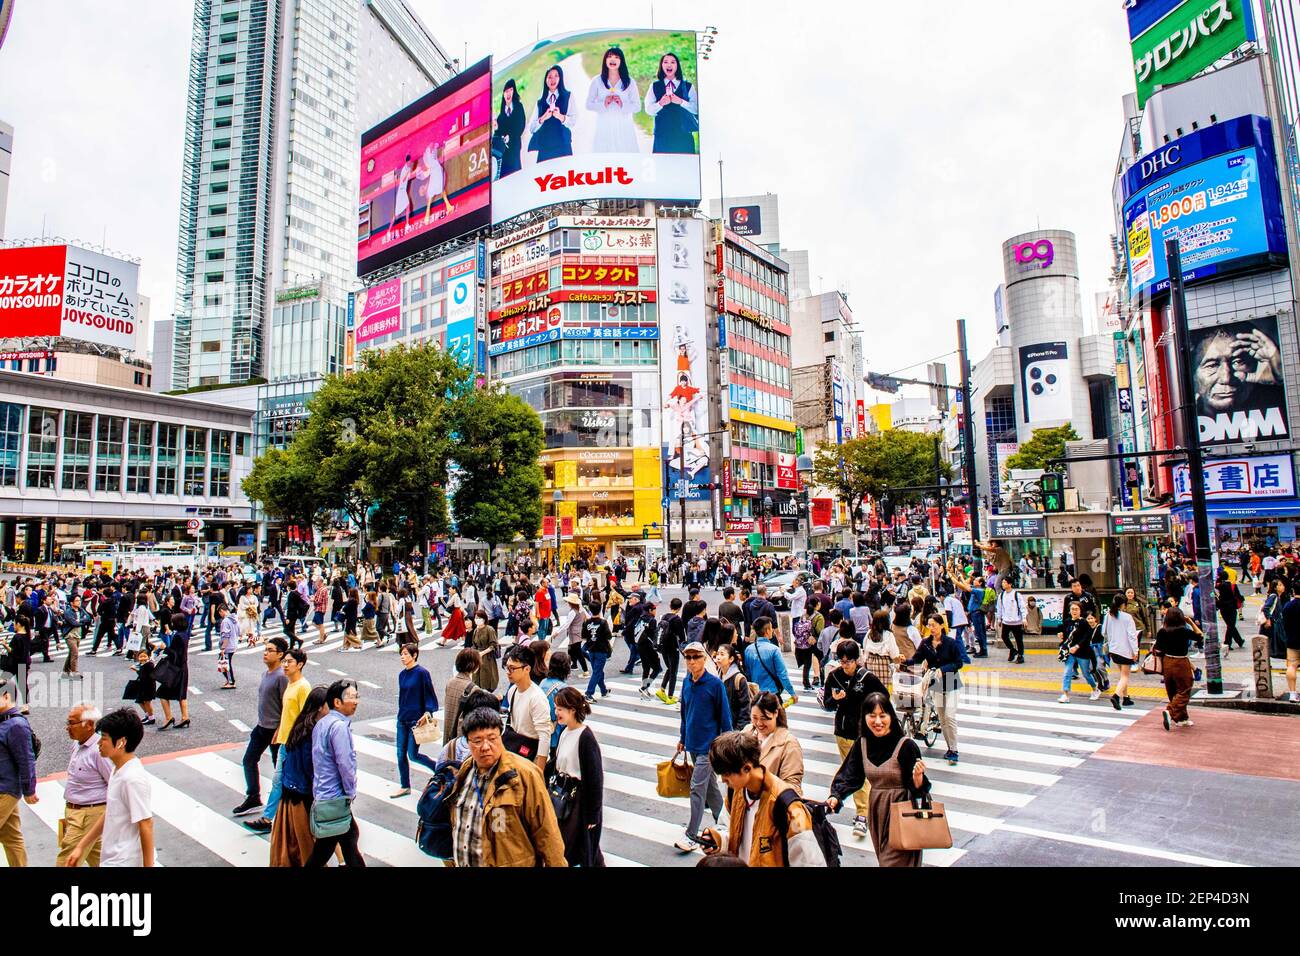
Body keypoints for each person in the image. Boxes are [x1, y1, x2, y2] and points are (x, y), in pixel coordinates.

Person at [449, 706, 568, 867]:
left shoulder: (525, 775)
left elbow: (547, 832)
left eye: (491, 738)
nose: (485, 747)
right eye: (477, 741)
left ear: (501, 736)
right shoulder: (465, 771)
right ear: (468, 743)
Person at [828, 691, 932, 867]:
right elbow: (851, 775)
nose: (877, 722)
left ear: (890, 716)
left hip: (902, 814)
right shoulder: (862, 743)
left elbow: (920, 790)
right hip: (877, 813)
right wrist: (836, 796)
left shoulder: (906, 746)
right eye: (872, 716)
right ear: (864, 717)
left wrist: (917, 777)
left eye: (882, 715)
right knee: (884, 860)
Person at [701, 731, 825, 867]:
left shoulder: (788, 806)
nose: (723, 779)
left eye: (727, 774)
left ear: (747, 768)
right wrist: (716, 838)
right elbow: (727, 827)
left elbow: (808, 861)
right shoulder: (735, 792)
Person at [63, 709, 154, 868]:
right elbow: (110, 811)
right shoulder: (117, 770)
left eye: (103, 738)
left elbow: (146, 824)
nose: (98, 743)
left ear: (121, 742)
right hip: (113, 857)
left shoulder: (132, 779)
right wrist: (81, 846)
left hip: (126, 861)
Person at [674, 641, 731, 853]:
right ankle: (727, 827)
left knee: (697, 789)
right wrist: (682, 737)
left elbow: (725, 718)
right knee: (712, 791)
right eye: (688, 658)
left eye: (695, 657)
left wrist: (727, 747)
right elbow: (684, 712)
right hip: (692, 744)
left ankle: (691, 835)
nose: (691, 661)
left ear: (704, 659)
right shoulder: (687, 682)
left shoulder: (715, 685)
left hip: (709, 747)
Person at [306, 680, 364, 866]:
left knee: (346, 841)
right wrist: (350, 792)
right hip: (335, 798)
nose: (355, 702)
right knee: (330, 847)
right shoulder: (339, 727)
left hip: (323, 794)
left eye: (356, 697)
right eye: (351, 698)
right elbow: (345, 764)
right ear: (337, 702)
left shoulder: (322, 724)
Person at [270, 685, 329, 866]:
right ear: (320, 707)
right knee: (304, 846)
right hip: (301, 796)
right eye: (329, 705)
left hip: (290, 793)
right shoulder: (313, 732)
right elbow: (310, 767)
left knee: (290, 844)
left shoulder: (301, 725)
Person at [552, 687, 605, 867]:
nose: (556, 712)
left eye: (560, 708)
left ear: (572, 710)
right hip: (562, 795)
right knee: (584, 849)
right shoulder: (564, 732)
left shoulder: (585, 737)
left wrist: (593, 815)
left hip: (578, 801)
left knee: (577, 848)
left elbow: (595, 779)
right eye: (555, 708)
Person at [57, 704, 116, 867]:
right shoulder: (77, 743)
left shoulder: (99, 751)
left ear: (89, 724)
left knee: (66, 861)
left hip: (88, 815)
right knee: (100, 860)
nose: (67, 728)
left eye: (72, 723)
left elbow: (115, 783)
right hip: (76, 812)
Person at [904, 614, 964, 764]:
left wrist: (943, 669)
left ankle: (954, 749)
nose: (931, 628)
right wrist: (903, 661)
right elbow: (916, 659)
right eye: (929, 625)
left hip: (951, 681)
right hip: (935, 683)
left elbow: (959, 663)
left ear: (941, 626)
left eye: (933, 625)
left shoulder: (950, 643)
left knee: (949, 716)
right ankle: (950, 748)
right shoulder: (925, 644)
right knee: (943, 719)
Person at [393, 643, 440, 798]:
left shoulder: (422, 673)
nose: (402, 657)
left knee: (413, 754)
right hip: (402, 719)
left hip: (416, 721)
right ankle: (405, 785)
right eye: (401, 654)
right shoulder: (401, 674)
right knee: (400, 754)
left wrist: (427, 712)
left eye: (406, 654)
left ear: (414, 655)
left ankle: (439, 770)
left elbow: (429, 694)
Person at [0, 678, 36, 866]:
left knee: (12, 837)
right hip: (4, 786)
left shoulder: (16, 725)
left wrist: (29, 790)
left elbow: (26, 759)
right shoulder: (3, 721)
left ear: (6, 696)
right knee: (11, 837)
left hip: (6, 789)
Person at [503, 645, 553, 772]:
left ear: (527, 669)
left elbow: (544, 737)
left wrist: (539, 772)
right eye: (507, 667)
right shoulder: (513, 690)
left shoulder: (537, 698)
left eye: (512, 668)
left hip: (531, 758)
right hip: (514, 751)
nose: (508, 672)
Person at [585, 47, 639, 152]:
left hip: (624, 127)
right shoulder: (597, 81)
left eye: (616, 57)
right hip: (604, 127)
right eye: (609, 57)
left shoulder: (629, 81)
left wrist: (622, 104)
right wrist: (603, 104)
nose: (612, 60)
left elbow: (637, 106)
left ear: (621, 61)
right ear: (605, 60)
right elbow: (588, 104)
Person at [644, 51, 698, 154]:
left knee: (684, 167)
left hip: (683, 135)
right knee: (662, 167)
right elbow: (649, 110)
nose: (669, 64)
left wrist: (681, 102)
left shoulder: (688, 86)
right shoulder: (654, 86)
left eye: (673, 62)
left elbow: (696, 109)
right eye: (665, 62)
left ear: (677, 66)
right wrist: (660, 104)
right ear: (661, 65)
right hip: (662, 135)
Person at [750, 691, 804, 794]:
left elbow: (792, 787)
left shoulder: (789, 744)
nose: (759, 723)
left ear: (776, 713)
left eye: (764, 718)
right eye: (754, 718)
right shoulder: (748, 732)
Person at [1154, 607, 1198, 731]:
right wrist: (1191, 622)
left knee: (1173, 691)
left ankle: (1182, 719)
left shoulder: (1162, 631)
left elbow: (1158, 648)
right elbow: (1200, 636)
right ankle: (1170, 711)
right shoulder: (1184, 631)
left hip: (1167, 662)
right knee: (1184, 690)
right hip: (1181, 662)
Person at [527, 65, 574, 163]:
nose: (552, 79)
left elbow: (573, 121)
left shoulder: (568, 96)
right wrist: (543, 118)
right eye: (549, 77)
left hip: (563, 148)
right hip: (545, 150)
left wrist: (561, 117)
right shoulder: (540, 102)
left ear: (560, 78)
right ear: (545, 81)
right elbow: (531, 128)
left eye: (556, 76)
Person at [745, 617, 797, 703]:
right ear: (767, 631)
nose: (772, 630)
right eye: (771, 627)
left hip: (756, 695)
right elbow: (782, 674)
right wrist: (792, 693)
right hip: (772, 694)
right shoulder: (774, 650)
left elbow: (748, 673)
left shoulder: (748, 650)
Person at [1057, 602, 1100, 703]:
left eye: (1076, 609)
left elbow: (1087, 637)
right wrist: (1061, 636)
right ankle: (1065, 694)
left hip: (1083, 652)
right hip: (1070, 652)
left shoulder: (1084, 623)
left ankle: (1095, 688)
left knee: (1086, 673)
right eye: (1072, 609)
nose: (1074, 611)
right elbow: (1065, 635)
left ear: (1080, 611)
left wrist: (1077, 646)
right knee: (1067, 672)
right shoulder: (1067, 622)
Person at [1103, 595, 1140, 710]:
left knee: (1122, 676)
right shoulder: (1127, 617)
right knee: (1125, 676)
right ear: (1123, 604)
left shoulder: (1109, 615)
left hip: (1114, 650)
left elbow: (1103, 631)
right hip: (1126, 650)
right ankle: (1116, 696)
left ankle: (1126, 698)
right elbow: (1132, 636)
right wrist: (1136, 651)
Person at [156, 611, 192, 730]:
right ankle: (185, 717)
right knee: (182, 694)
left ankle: (168, 717)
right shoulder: (185, 634)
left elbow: (175, 654)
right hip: (183, 668)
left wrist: (165, 648)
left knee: (162, 692)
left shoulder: (177, 636)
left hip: (175, 669)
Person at [443, 648, 481, 748]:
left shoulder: (450, 682)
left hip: (448, 736)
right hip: (460, 740)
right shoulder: (474, 689)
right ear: (475, 666)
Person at [714, 642, 751, 731]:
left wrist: (737, 731)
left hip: (734, 729)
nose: (718, 657)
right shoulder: (716, 676)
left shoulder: (739, 679)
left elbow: (745, 709)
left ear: (731, 659)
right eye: (717, 654)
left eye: (722, 654)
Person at [581, 604, 613, 702]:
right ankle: (589, 693)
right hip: (601, 649)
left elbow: (583, 636)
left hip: (591, 649)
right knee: (597, 672)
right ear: (600, 610)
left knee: (598, 671)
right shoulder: (603, 622)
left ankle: (603, 690)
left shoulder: (587, 622)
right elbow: (609, 636)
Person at [494, 78, 526, 177]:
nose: (508, 94)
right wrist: (496, 128)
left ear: (514, 92)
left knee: (516, 174)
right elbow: (497, 134)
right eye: (506, 91)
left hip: (514, 147)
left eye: (511, 90)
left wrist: (510, 136)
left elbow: (521, 125)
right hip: (504, 152)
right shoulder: (500, 116)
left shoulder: (518, 107)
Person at [995, 576, 1027, 664]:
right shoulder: (1001, 595)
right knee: (1004, 637)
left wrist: (1024, 618)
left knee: (1019, 640)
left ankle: (1020, 656)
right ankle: (1012, 650)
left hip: (1017, 621)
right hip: (1006, 621)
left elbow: (1022, 607)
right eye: (1002, 582)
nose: (1003, 584)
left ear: (1010, 584)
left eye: (1005, 582)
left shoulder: (1017, 595)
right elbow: (1000, 608)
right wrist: (999, 619)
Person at [635, 598, 662, 700]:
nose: (655, 611)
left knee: (646, 668)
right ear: (650, 610)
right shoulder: (652, 620)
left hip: (640, 645)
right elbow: (654, 635)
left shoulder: (641, 618)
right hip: (649, 646)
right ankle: (644, 687)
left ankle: (644, 691)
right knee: (657, 668)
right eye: (654, 609)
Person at [1216, 568, 1245, 655]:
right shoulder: (1233, 586)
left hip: (1223, 608)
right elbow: (1239, 596)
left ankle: (1239, 641)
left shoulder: (1218, 586)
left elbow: (1213, 595)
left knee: (1230, 625)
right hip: (1231, 608)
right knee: (1231, 625)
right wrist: (1241, 601)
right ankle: (1227, 643)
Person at [471, 610, 499, 692]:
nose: (477, 619)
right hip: (477, 656)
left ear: (484, 619)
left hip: (488, 657)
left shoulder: (489, 629)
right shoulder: (476, 630)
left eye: (479, 618)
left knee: (487, 675)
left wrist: (483, 653)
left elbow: (493, 645)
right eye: (476, 617)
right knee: (476, 676)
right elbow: (474, 644)